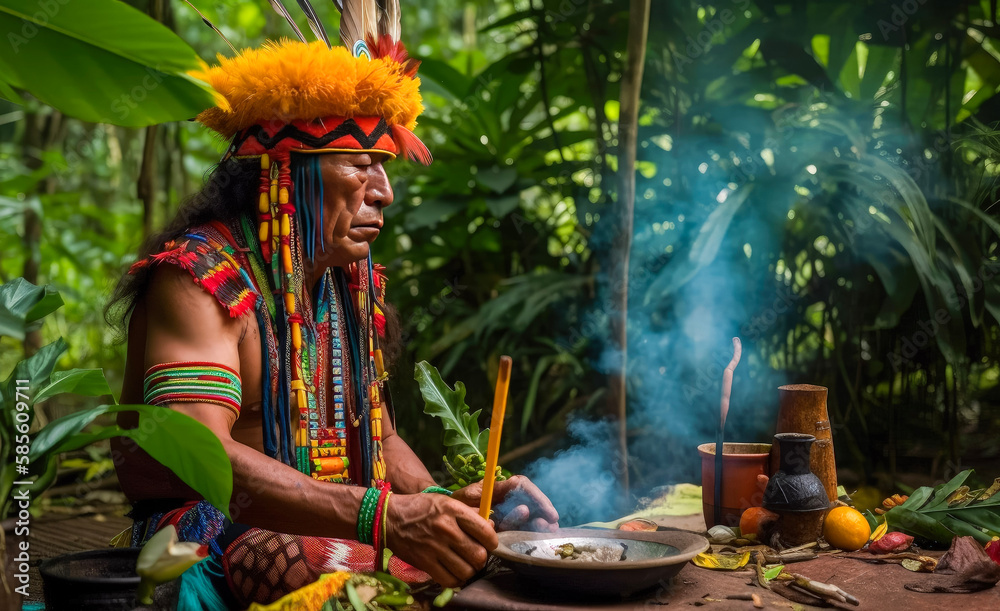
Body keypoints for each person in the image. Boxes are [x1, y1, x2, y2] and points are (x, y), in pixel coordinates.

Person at [107, 2, 557, 607]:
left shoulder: (346, 286)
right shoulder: (199, 278)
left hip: (336, 526)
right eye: (363, 164)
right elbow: (197, 454)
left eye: (386, 167)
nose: (385, 191)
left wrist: (453, 505)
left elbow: (378, 439)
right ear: (287, 172)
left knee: (475, 554)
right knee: (323, 566)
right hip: (206, 539)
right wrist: (385, 519)